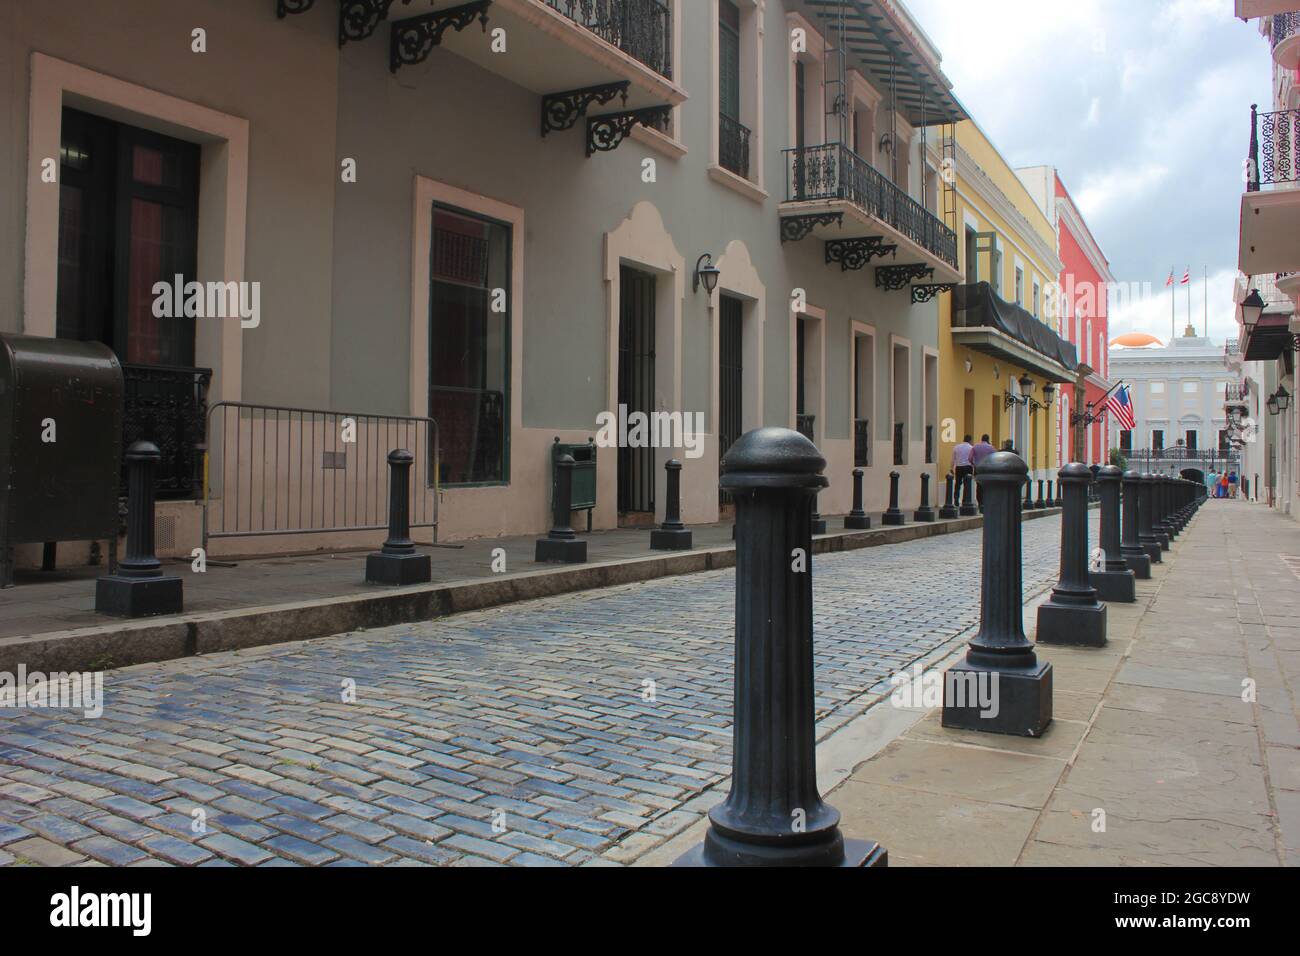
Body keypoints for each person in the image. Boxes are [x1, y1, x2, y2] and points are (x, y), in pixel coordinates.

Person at [971, 434, 996, 508]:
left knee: (979, 486)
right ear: (988, 439)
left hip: (978, 469)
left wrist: (974, 464)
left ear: (981, 439)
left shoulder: (975, 446)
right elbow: (995, 458)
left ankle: (980, 502)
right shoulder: (991, 448)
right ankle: (986, 502)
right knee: (987, 486)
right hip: (987, 469)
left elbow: (969, 458)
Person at [952, 435, 974, 507]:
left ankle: (956, 498)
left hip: (959, 467)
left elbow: (953, 459)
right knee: (966, 484)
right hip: (968, 467)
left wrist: (951, 468)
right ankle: (965, 500)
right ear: (970, 440)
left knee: (957, 484)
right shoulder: (971, 448)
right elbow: (972, 458)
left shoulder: (957, 447)